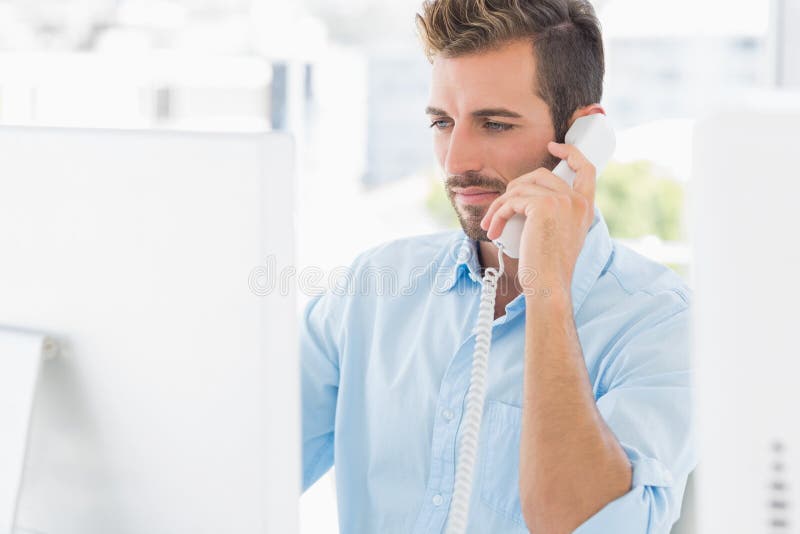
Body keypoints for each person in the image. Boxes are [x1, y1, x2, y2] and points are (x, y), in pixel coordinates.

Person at [300, 0, 695, 532]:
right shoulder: (371, 291)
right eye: (443, 122)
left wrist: (546, 287)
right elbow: (233, 461)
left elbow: (577, 523)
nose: (455, 160)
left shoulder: (661, 325)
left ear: (580, 140)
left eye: (495, 124)